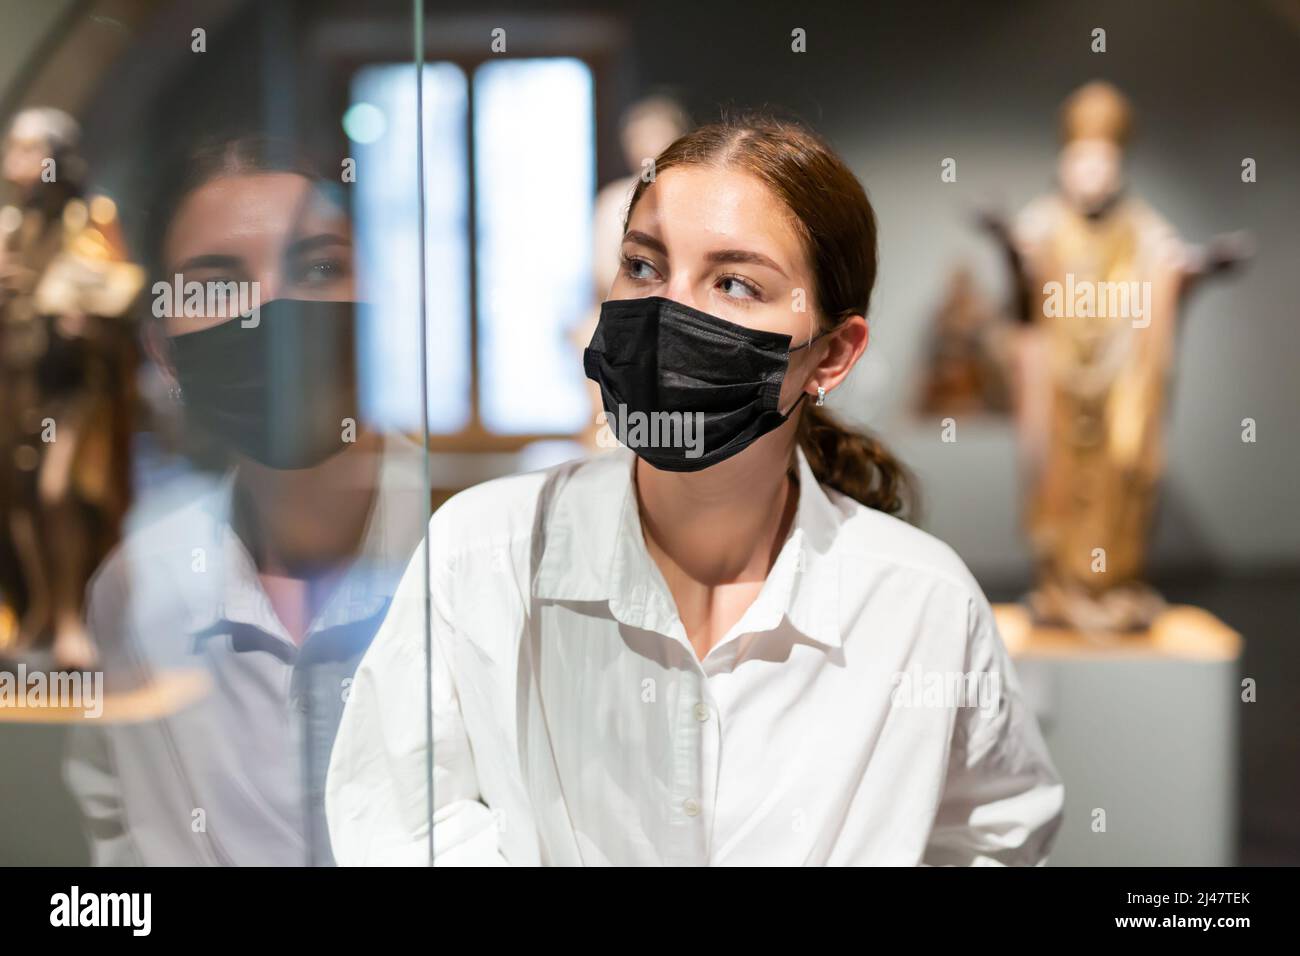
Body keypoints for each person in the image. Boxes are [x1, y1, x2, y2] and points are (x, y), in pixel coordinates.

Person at [326, 115, 1064, 866]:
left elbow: (997, 833)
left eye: (735, 283)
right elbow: (400, 824)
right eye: (643, 267)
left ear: (832, 355)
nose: (665, 312)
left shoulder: (922, 604)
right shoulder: (482, 553)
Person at [63, 137, 427, 865]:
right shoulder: (137, 594)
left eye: (319, 267)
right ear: (164, 350)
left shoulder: (499, 558)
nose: (272, 309)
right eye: (216, 284)